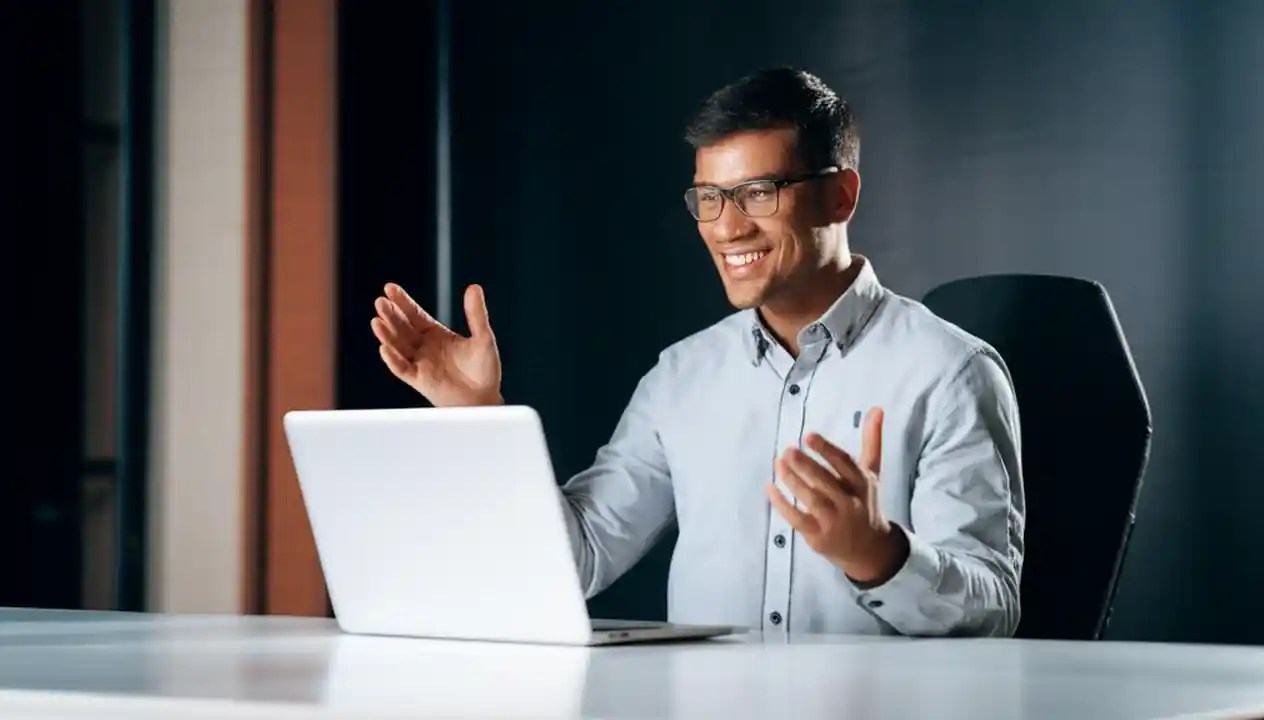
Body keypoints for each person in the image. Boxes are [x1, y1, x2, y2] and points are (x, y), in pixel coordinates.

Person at [370, 68, 1025, 637]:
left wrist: (879, 555)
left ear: (841, 195)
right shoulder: (681, 377)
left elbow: (995, 611)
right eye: (709, 199)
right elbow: (578, 560)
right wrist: (478, 412)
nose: (728, 227)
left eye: (759, 194)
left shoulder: (950, 371)